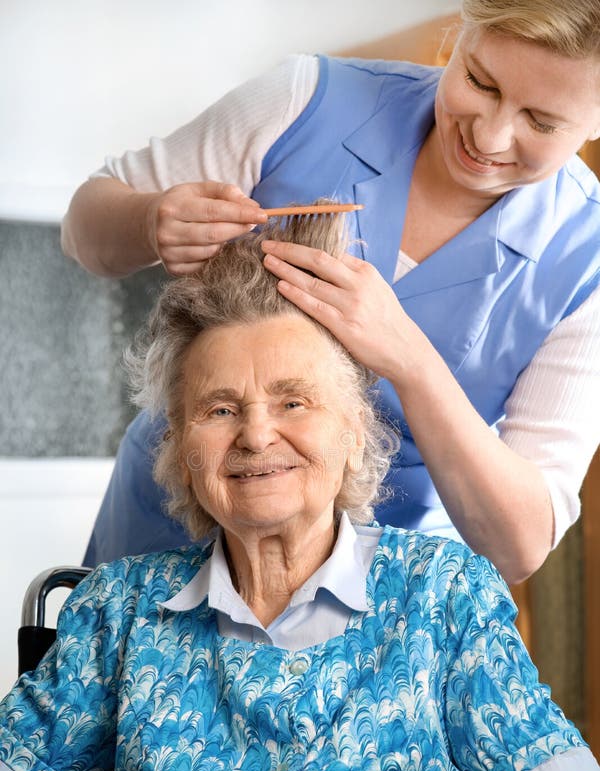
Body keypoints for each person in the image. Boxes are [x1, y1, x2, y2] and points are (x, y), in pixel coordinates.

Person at [1, 212, 599, 771]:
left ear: (354, 432)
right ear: (180, 450)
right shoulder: (120, 612)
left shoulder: (442, 592)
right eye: (220, 409)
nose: (257, 435)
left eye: (293, 401)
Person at [62, 0, 600, 585]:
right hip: (175, 521)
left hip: (369, 594)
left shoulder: (585, 256)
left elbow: (519, 545)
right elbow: (84, 231)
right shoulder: (302, 100)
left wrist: (409, 358)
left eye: (542, 123)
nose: (490, 135)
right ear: (461, 33)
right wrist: (148, 222)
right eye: (479, 81)